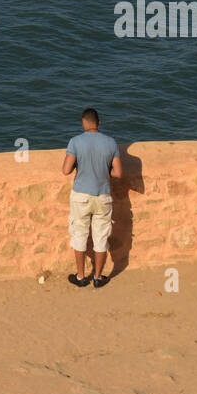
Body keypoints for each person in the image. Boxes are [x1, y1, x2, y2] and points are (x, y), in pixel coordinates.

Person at [62, 108, 122, 288]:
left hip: (81, 196)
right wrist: (104, 171)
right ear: (99, 123)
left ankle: (81, 277)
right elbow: (118, 172)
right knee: (101, 237)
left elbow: (65, 170)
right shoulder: (111, 143)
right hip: (103, 196)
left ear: (83, 122)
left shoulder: (75, 142)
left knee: (79, 235)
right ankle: (97, 277)